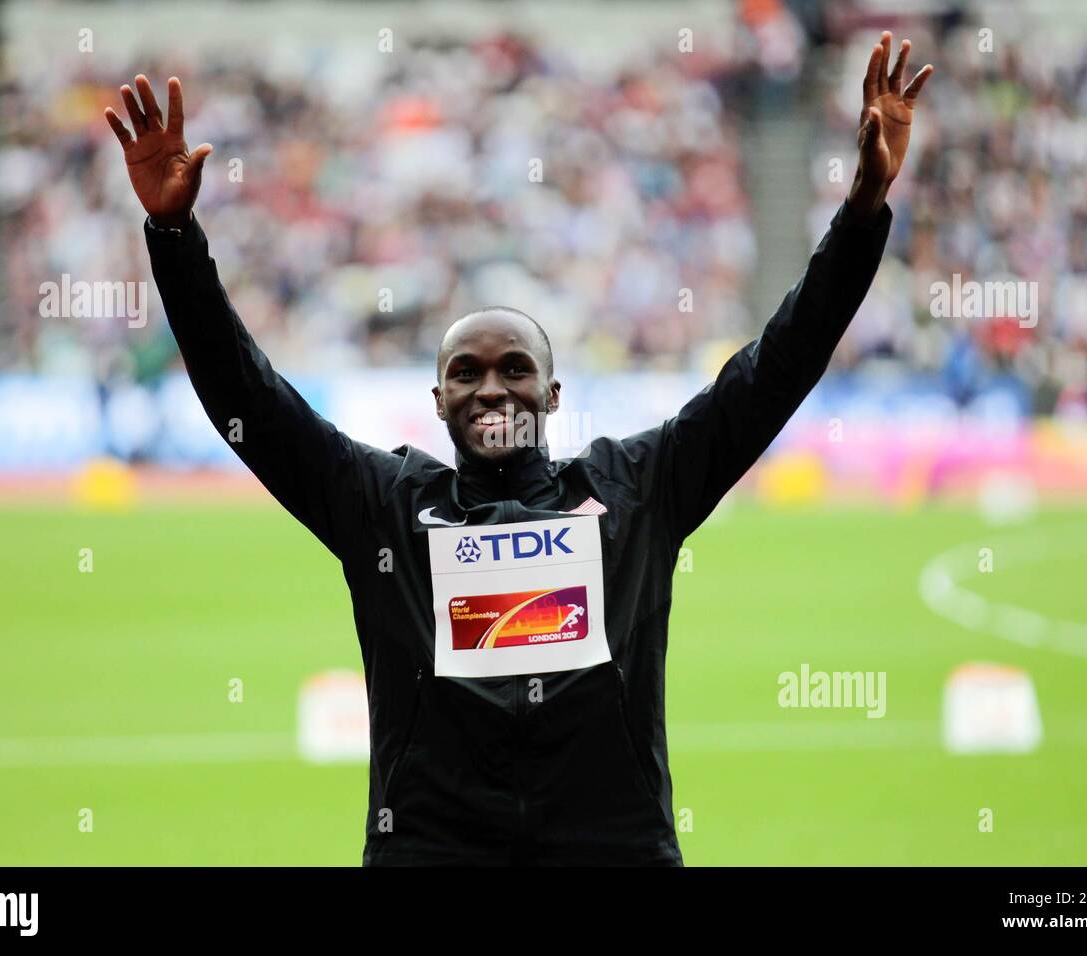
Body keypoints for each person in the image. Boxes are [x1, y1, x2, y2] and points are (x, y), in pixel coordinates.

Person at [105, 32, 932, 866]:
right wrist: (175, 236)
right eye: (466, 373)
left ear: (553, 393)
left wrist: (863, 210)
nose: (492, 388)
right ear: (438, 401)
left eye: (515, 370)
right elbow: (248, 400)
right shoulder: (384, 504)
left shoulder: (638, 487)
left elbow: (775, 371)